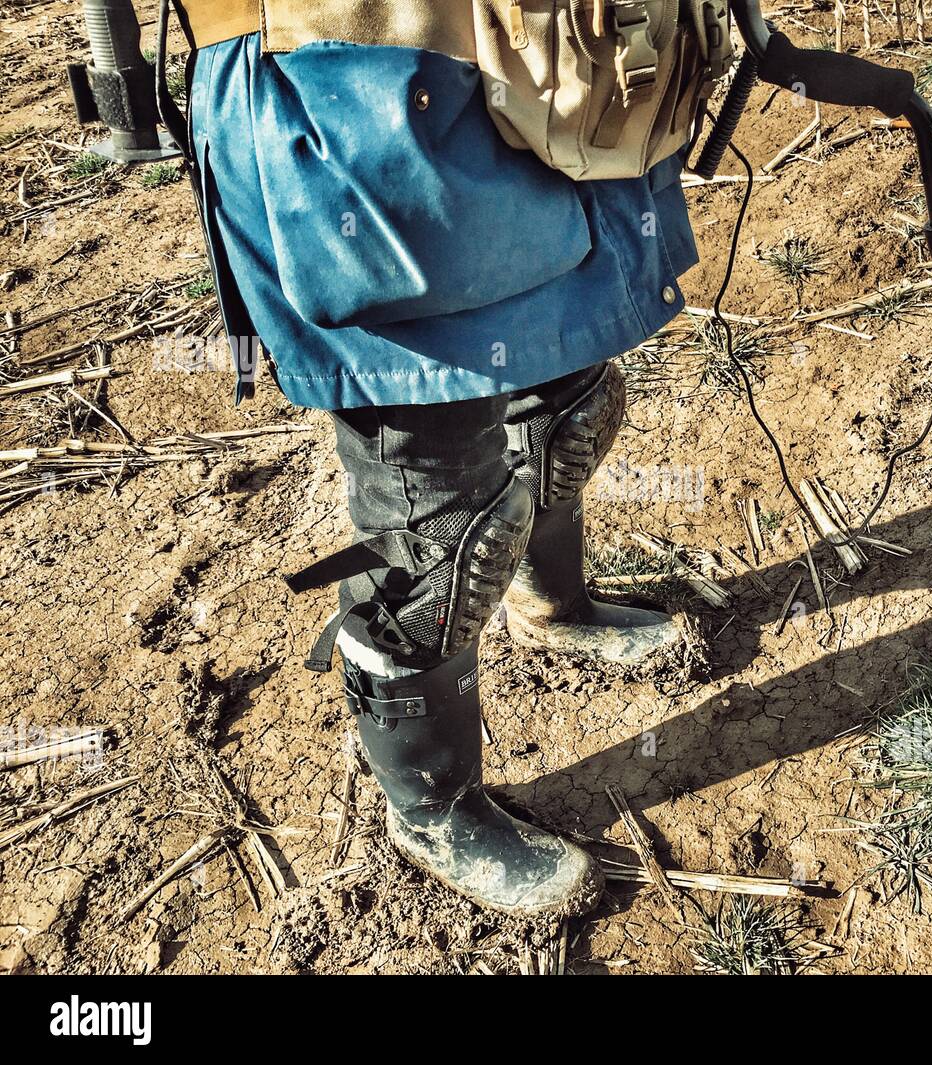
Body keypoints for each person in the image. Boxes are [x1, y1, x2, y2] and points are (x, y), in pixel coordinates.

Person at [166, 1, 728, 917]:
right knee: (438, 517)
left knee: (571, 393)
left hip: (545, 55)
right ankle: (429, 806)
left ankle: (550, 605)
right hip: (351, 73)